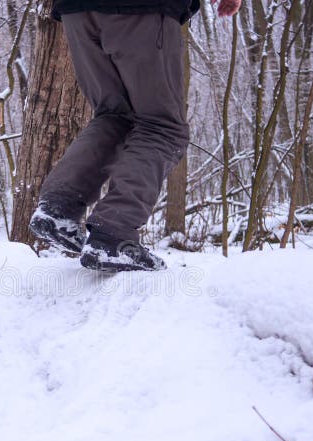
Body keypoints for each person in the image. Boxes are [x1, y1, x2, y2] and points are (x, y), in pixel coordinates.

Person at [29, 0, 241, 272]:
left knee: (115, 116)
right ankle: (113, 232)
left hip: (77, 13)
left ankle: (58, 208)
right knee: (162, 126)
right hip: (142, 10)